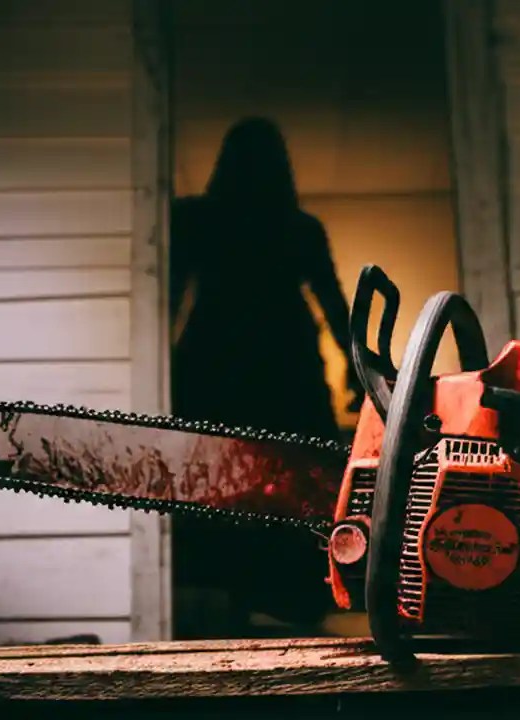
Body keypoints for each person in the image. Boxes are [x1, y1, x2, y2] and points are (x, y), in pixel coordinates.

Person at [168, 117, 361, 637]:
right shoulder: (297, 227)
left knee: (224, 487)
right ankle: (290, 600)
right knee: (297, 484)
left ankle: (239, 601)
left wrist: (158, 369)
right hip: (284, 367)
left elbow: (163, 297)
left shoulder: (196, 219)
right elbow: (333, 303)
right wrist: (355, 374)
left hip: (217, 367)